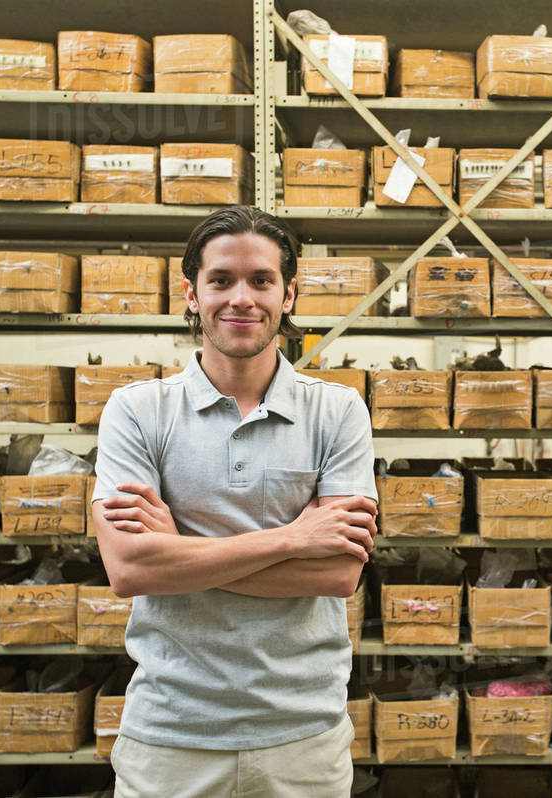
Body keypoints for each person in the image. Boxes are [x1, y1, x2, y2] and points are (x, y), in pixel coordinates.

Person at [91, 205, 378, 798]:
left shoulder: (338, 410)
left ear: (289, 294)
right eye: (221, 280)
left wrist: (181, 553)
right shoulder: (137, 410)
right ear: (192, 294)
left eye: (261, 281)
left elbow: (338, 572)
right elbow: (129, 570)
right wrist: (293, 538)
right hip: (171, 735)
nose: (240, 298)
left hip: (303, 737)